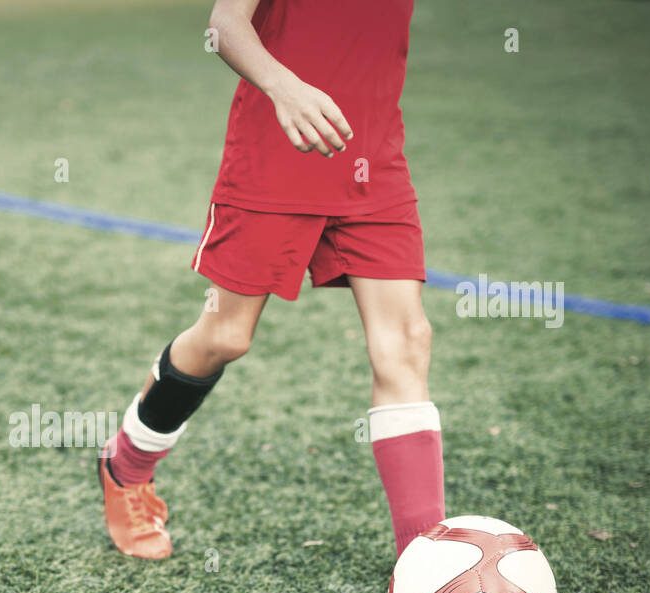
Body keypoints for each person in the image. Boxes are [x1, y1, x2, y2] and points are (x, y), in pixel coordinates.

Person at [100, 0, 443, 560]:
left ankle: (425, 561)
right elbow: (225, 24)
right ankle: (126, 467)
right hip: (275, 155)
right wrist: (285, 87)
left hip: (372, 158)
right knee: (226, 336)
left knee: (406, 344)